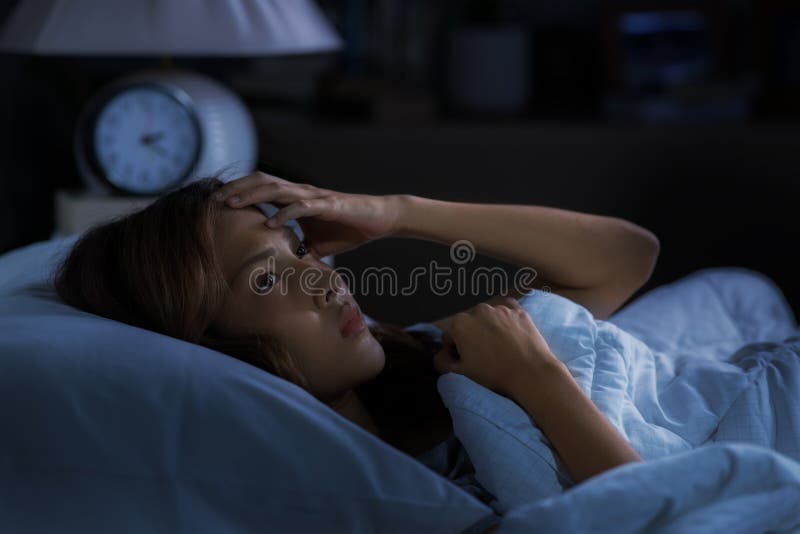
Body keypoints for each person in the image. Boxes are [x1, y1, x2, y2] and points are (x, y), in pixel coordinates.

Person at [55, 171, 659, 489]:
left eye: (298, 249)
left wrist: (400, 212)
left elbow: (628, 257)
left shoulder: (441, 363)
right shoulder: (378, 497)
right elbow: (672, 511)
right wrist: (539, 382)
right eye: (266, 281)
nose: (323, 281)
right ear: (209, 347)